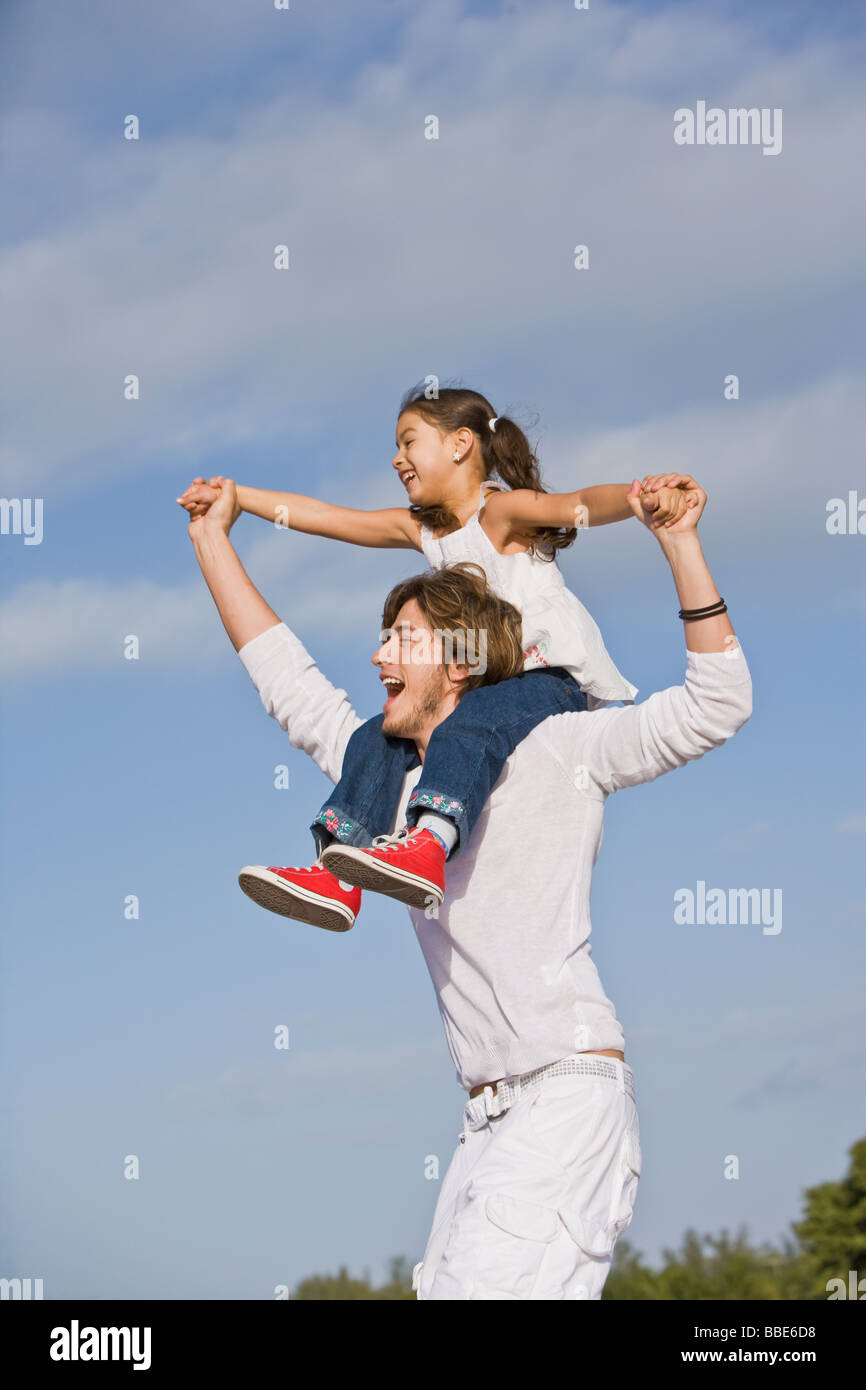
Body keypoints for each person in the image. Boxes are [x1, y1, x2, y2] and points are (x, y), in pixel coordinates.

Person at [183, 468, 752, 1300]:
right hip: (488, 1120)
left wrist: (680, 545)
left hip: (563, 1098)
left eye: (400, 639)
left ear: (458, 664)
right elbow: (287, 682)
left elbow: (717, 705)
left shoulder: (556, 749)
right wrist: (211, 540)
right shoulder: (389, 786)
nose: (378, 654)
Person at [178, 385, 693, 930]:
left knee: (464, 725)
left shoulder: (501, 512)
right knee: (378, 736)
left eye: (409, 442)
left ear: (460, 444)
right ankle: (340, 874)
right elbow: (331, 517)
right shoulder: (424, 531)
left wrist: (642, 498)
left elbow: (577, 504)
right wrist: (237, 497)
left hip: (546, 677)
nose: (397, 458)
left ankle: (430, 841)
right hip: (480, 678)